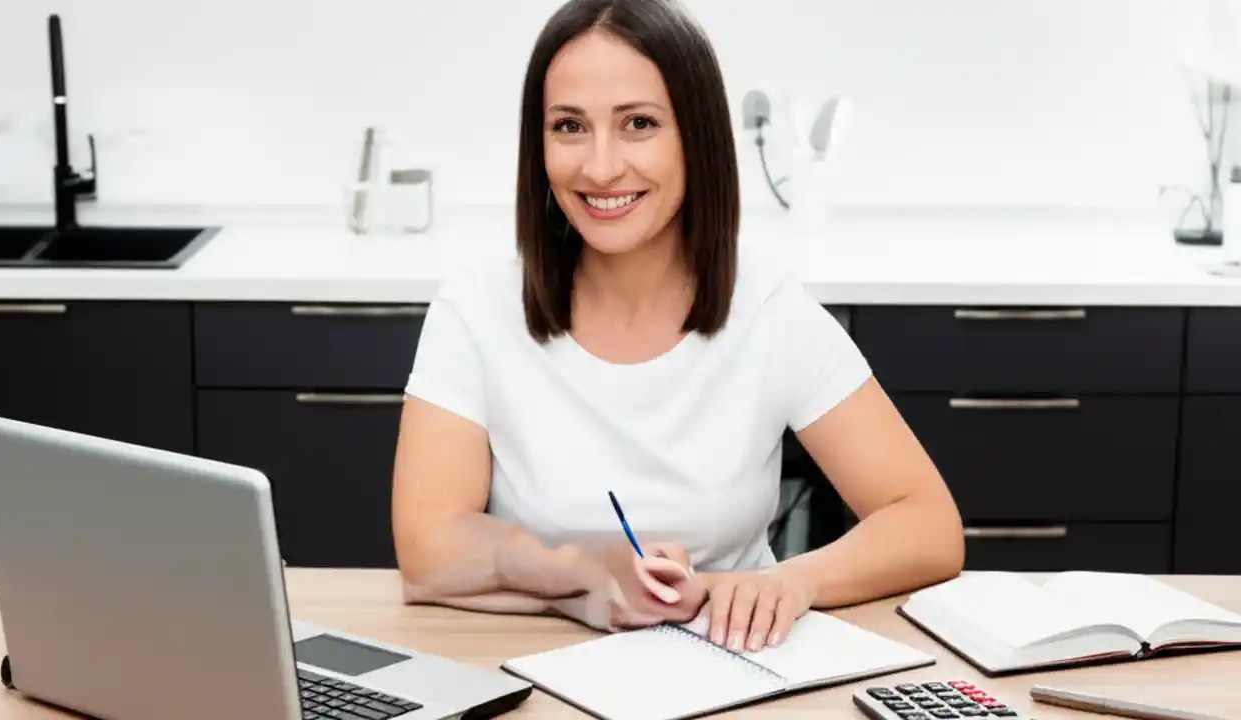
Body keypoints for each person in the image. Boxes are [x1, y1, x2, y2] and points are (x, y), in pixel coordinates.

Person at [392, 0, 963, 654]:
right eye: (569, 126)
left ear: (697, 136)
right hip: (525, 668)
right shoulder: (478, 306)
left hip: (733, 664)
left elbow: (927, 524)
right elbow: (428, 545)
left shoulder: (768, 308)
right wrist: (579, 573)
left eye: (638, 124)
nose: (600, 168)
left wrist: (789, 582)